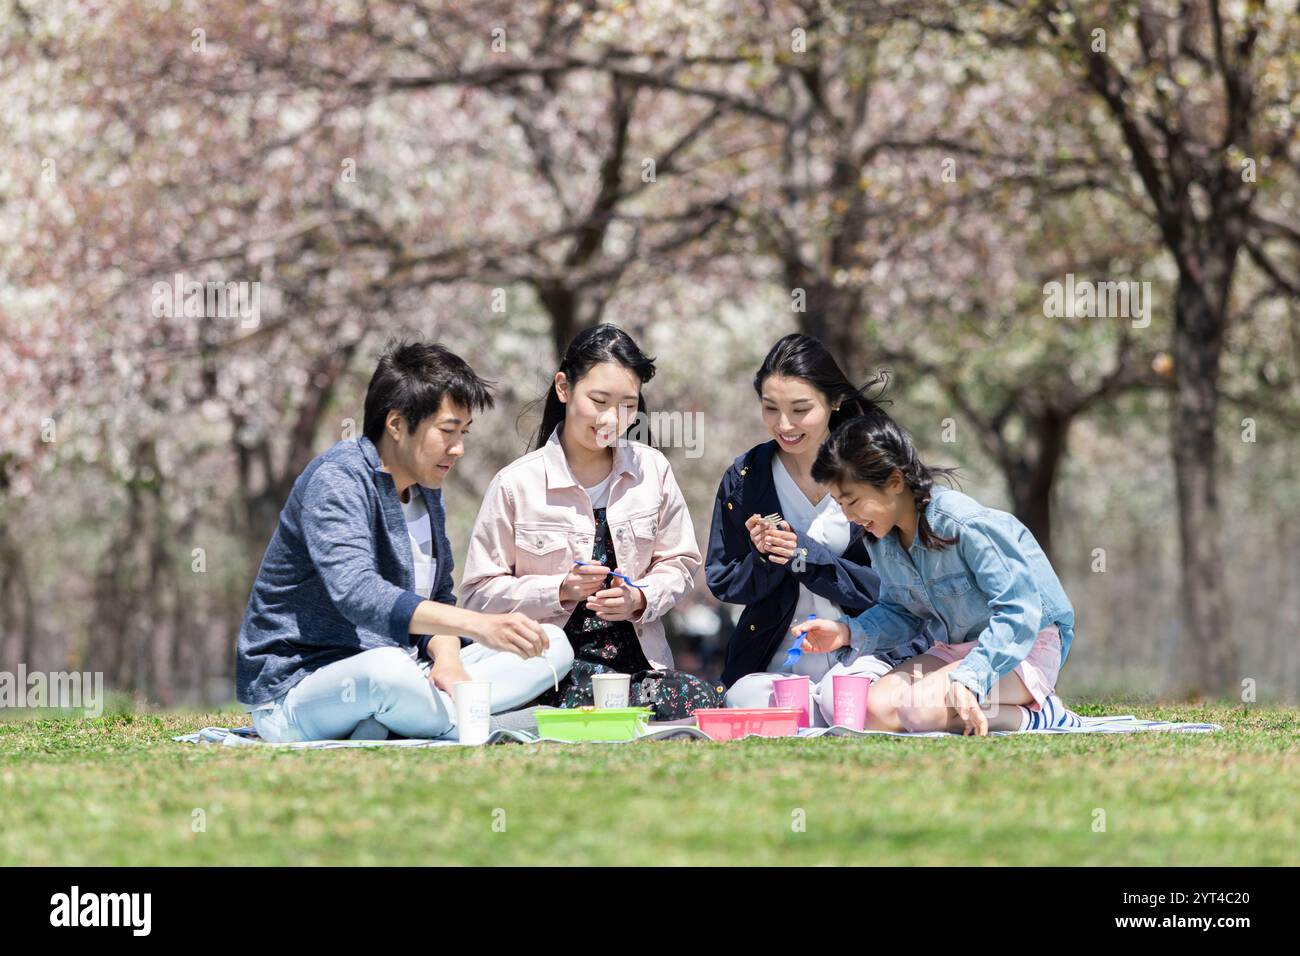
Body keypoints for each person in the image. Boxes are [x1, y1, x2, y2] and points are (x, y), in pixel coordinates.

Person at [236, 340, 573, 742]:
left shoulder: (426, 487)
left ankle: (415, 720)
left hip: (409, 673)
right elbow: (357, 592)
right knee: (387, 672)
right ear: (396, 424)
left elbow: (440, 596)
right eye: (448, 431)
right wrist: (480, 625)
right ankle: (459, 722)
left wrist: (448, 659)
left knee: (550, 644)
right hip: (301, 689)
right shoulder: (337, 479)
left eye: (464, 432)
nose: (459, 449)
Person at [461, 324, 719, 719]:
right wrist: (559, 591)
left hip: (637, 671)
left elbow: (681, 563)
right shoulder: (515, 485)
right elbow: (479, 594)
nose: (613, 419)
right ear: (563, 388)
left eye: (628, 405)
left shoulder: (653, 470)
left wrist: (640, 597)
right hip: (548, 670)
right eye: (598, 400)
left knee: (702, 697)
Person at [791, 412, 1083, 735]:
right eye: (840, 504)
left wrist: (973, 677)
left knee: (920, 711)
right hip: (957, 649)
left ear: (895, 481)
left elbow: (1019, 612)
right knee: (872, 711)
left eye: (852, 501)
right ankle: (975, 706)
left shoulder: (963, 524)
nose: (847, 515)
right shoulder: (881, 539)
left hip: (1022, 648)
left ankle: (1040, 716)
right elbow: (902, 612)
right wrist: (846, 633)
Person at [707, 334, 930, 724]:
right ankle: (815, 708)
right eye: (770, 408)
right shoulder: (746, 477)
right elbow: (725, 581)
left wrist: (805, 556)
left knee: (841, 698)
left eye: (800, 409)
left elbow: (901, 586)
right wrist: (765, 558)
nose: (785, 424)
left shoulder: (872, 469)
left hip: (866, 650)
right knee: (742, 698)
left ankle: (825, 707)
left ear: (834, 401)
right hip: (776, 660)